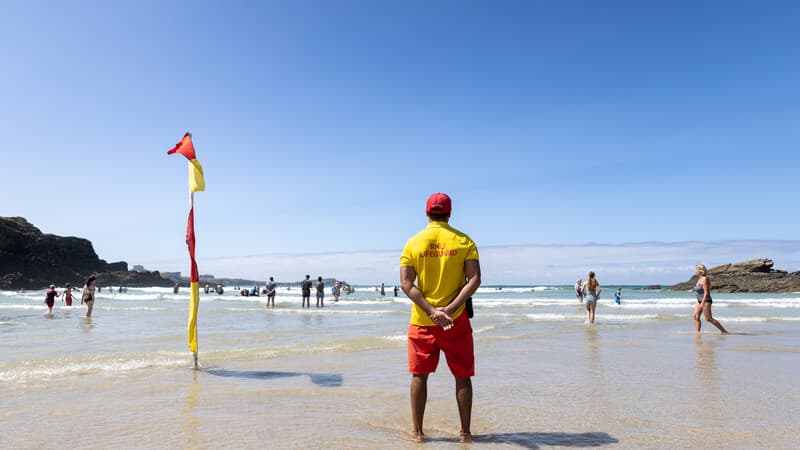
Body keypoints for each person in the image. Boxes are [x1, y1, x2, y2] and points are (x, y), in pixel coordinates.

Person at [400, 192, 481, 443]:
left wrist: (432, 311)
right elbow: (475, 279)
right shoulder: (464, 241)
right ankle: (465, 434)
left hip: (423, 321)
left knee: (419, 376)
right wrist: (450, 308)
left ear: (427, 213)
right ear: (450, 213)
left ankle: (418, 433)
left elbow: (405, 283)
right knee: (463, 376)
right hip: (456, 321)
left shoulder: (413, 242)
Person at [693, 264, 727, 334]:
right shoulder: (699, 279)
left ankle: (723, 331)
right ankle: (697, 333)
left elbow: (706, 292)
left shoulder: (705, 279)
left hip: (706, 301)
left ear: (700, 271)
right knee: (696, 317)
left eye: (696, 270)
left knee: (708, 318)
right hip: (699, 301)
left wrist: (702, 303)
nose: (695, 271)